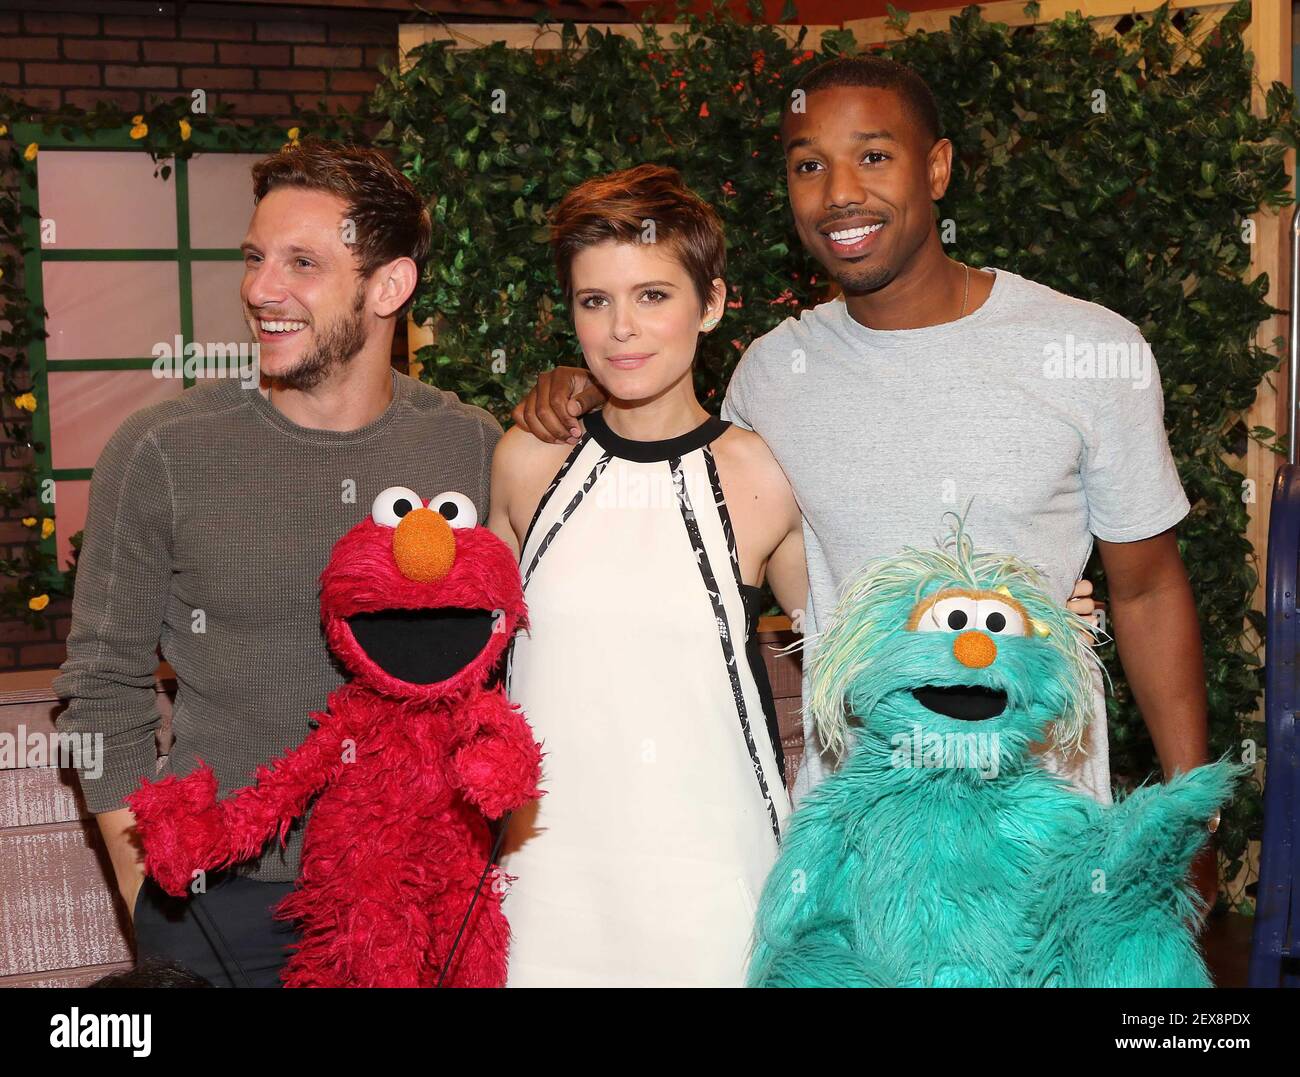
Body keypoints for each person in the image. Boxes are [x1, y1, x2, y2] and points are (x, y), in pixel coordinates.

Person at [509, 57, 1216, 904]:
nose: (839, 191)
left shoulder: (1092, 353)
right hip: (844, 863)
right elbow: (670, 473)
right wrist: (586, 388)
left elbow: (1145, 592)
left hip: (1041, 855)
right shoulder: (771, 377)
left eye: (874, 156)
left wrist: (1190, 809)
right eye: (809, 164)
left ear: (939, 167)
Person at [54, 139, 502, 987]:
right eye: (255, 258)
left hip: (410, 893)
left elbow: (507, 664)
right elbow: (100, 681)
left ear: (389, 286)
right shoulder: (161, 451)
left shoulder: (470, 446)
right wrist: (141, 872)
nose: (261, 289)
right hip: (216, 901)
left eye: (302, 262)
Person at [487, 164, 806, 987]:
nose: (622, 329)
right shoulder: (527, 459)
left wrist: (1014, 608)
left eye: (653, 296)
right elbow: (472, 667)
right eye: (595, 301)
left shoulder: (763, 472)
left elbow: (861, 654)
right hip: (544, 888)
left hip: (717, 893)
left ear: (711, 303)